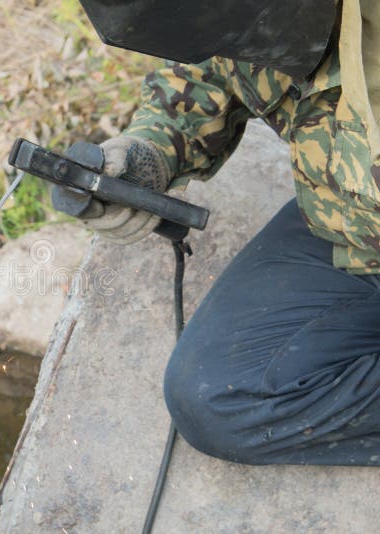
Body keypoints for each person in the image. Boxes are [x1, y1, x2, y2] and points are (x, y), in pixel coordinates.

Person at [80, 0, 380, 465]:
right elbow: (213, 65)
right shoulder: (248, 15)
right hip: (352, 226)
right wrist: (150, 154)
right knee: (214, 395)